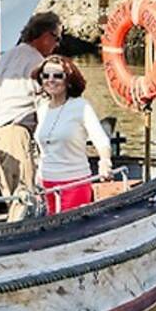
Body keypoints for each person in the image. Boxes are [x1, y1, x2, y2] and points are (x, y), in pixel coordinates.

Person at [0, 11, 61, 220]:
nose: (57, 44)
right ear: (45, 36)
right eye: (56, 38)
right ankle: (21, 234)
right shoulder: (36, 61)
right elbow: (46, 104)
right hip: (14, 131)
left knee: (11, 197)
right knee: (24, 197)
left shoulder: (9, 55)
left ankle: (12, 227)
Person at [33, 55, 114, 216]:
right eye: (46, 75)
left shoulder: (80, 106)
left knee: (68, 226)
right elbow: (45, 147)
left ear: (68, 80)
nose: (51, 80)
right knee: (51, 226)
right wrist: (37, 177)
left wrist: (105, 161)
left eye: (58, 75)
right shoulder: (42, 108)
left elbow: (100, 138)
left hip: (74, 182)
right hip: (46, 183)